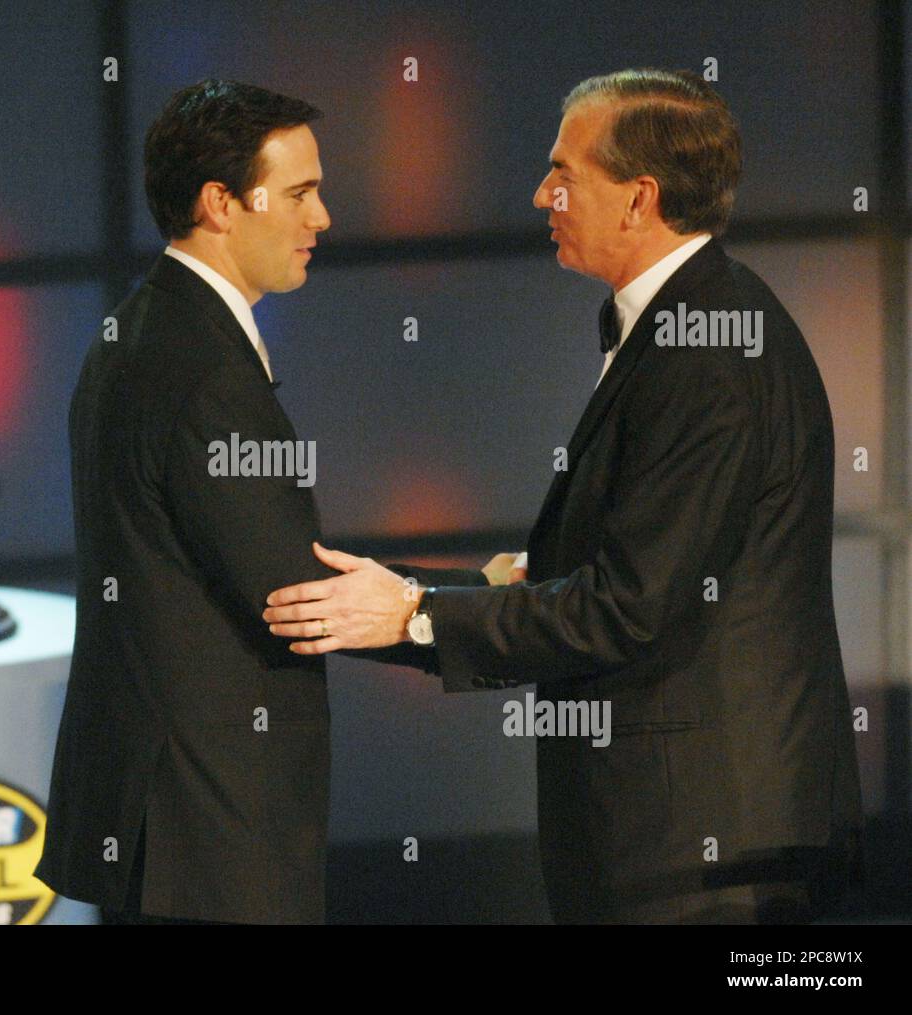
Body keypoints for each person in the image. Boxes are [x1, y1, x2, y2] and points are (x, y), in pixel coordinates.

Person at [262, 68, 864, 924]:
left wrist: (414, 613)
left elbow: (628, 607)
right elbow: (606, 580)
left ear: (639, 198)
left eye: (564, 173)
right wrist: (407, 600)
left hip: (704, 857)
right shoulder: (688, 323)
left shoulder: (707, 353)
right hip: (682, 842)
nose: (543, 192)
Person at [32, 79, 338, 923]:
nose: (322, 219)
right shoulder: (206, 373)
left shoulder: (132, 332)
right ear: (220, 203)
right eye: (303, 193)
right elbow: (295, 591)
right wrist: (453, 605)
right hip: (209, 834)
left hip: (159, 827)